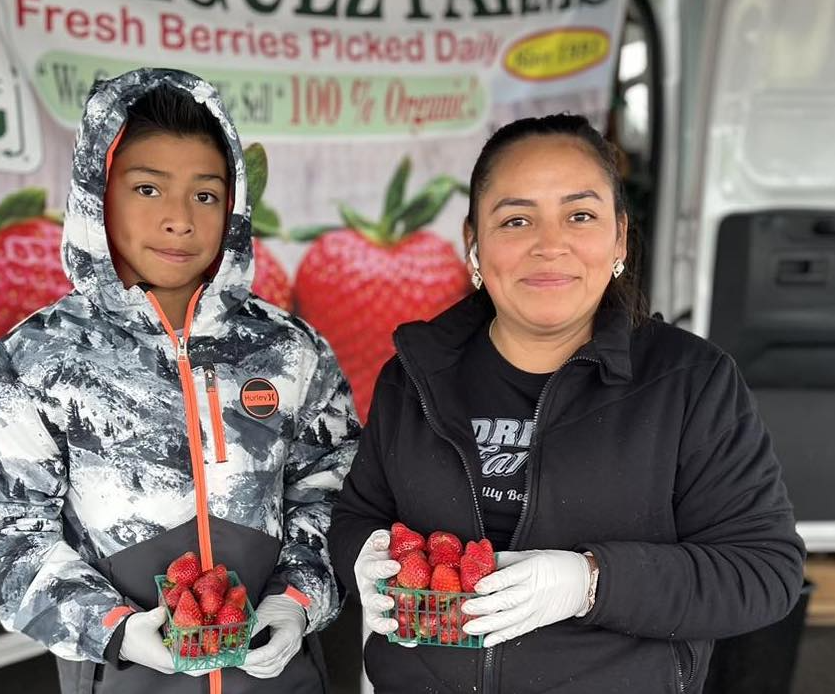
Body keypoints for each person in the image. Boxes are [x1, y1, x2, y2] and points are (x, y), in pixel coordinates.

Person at [328, 114, 805, 693]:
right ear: (473, 244)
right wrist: (365, 562)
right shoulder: (414, 374)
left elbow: (763, 573)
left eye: (579, 215)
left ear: (620, 237)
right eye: (516, 219)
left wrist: (590, 582)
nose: (549, 245)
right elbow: (358, 518)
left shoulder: (691, 383)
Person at [0, 68, 359, 693]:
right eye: (147, 189)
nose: (179, 221)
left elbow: (335, 495)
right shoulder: (35, 358)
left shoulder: (290, 350)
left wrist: (297, 601)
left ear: (235, 206)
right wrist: (112, 628)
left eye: (205, 194)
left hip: (281, 681)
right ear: (97, 196)